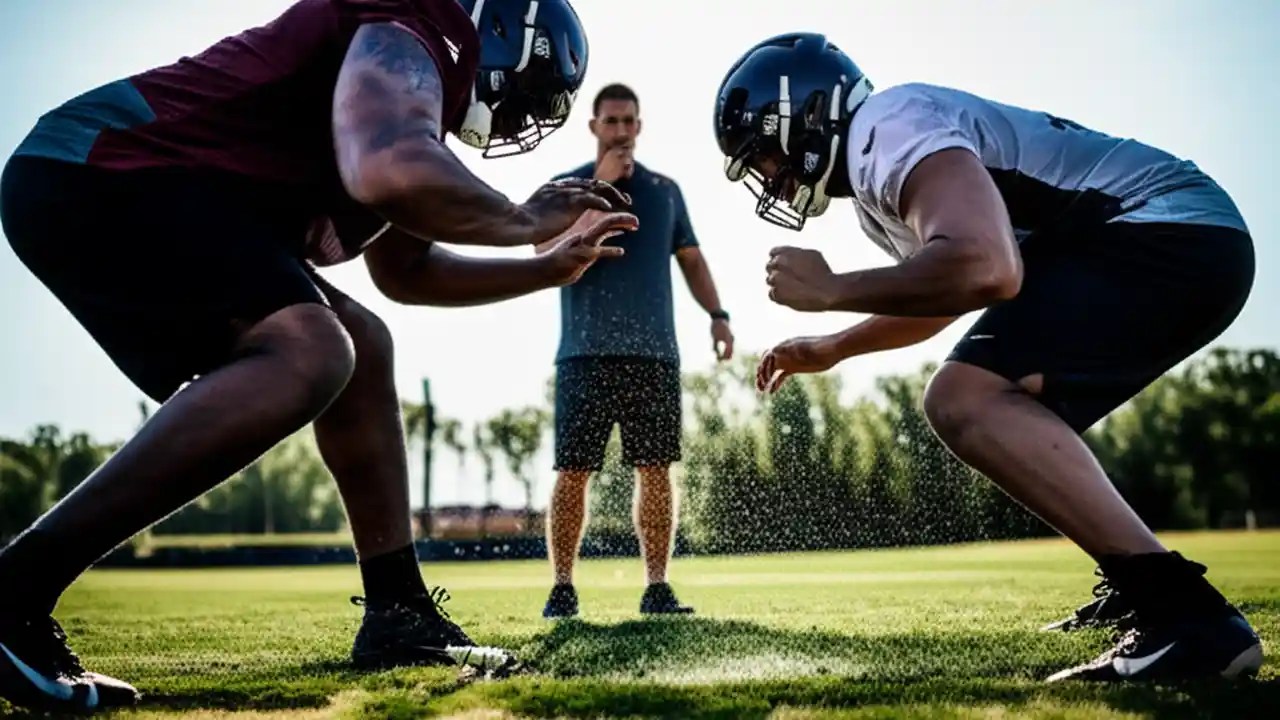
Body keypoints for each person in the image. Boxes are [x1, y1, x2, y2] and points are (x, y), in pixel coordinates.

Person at [0, 0, 638, 712]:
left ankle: (399, 614)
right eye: (532, 87)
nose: (523, 117)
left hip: (141, 183)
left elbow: (408, 272)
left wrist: (546, 264)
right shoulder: (422, 27)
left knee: (361, 346)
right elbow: (389, 172)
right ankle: (15, 589)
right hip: (104, 165)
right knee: (314, 348)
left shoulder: (404, 107)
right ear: (500, 33)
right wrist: (521, 221)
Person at [713, 32, 1263, 683]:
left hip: (1164, 231)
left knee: (963, 398)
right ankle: (1138, 581)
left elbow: (987, 268)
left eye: (765, 156)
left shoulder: (885, 125)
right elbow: (950, 289)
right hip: (1177, 238)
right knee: (999, 401)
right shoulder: (875, 182)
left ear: (801, 114)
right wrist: (833, 347)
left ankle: (1187, 616)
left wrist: (833, 290)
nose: (770, 176)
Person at [535, 84, 734, 619]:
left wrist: (718, 316)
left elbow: (692, 259)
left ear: (640, 126)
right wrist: (597, 192)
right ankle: (561, 588)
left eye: (629, 121)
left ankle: (657, 587)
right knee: (572, 471)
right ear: (594, 126)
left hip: (653, 355)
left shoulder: (666, 191)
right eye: (611, 121)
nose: (621, 131)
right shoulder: (566, 189)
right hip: (584, 353)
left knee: (655, 469)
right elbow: (543, 252)